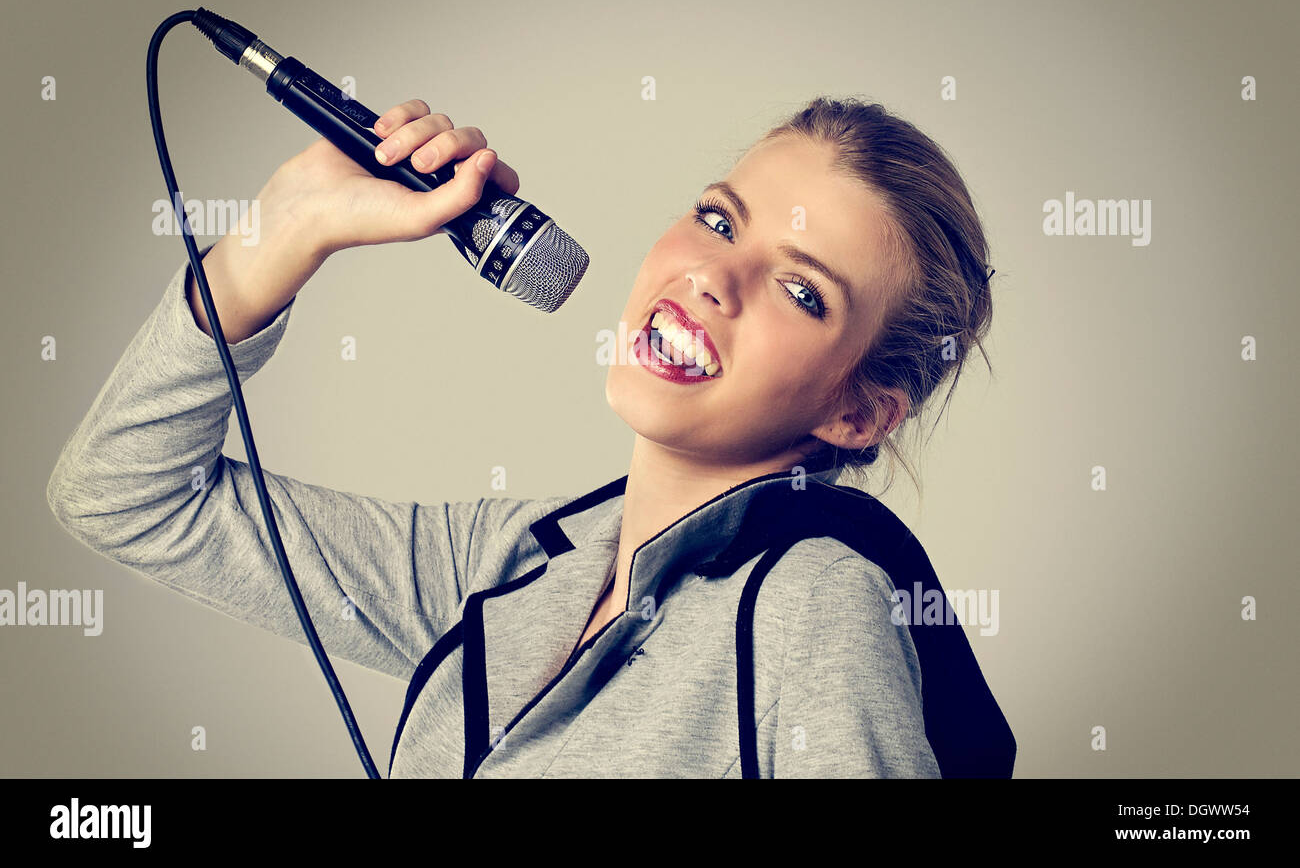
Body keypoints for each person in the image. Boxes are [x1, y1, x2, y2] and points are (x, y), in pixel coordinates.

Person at [46, 96, 1014, 778]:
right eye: (718, 220)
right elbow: (126, 495)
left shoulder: (817, 601)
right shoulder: (514, 562)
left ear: (855, 412)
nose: (714, 278)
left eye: (803, 291)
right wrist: (278, 238)